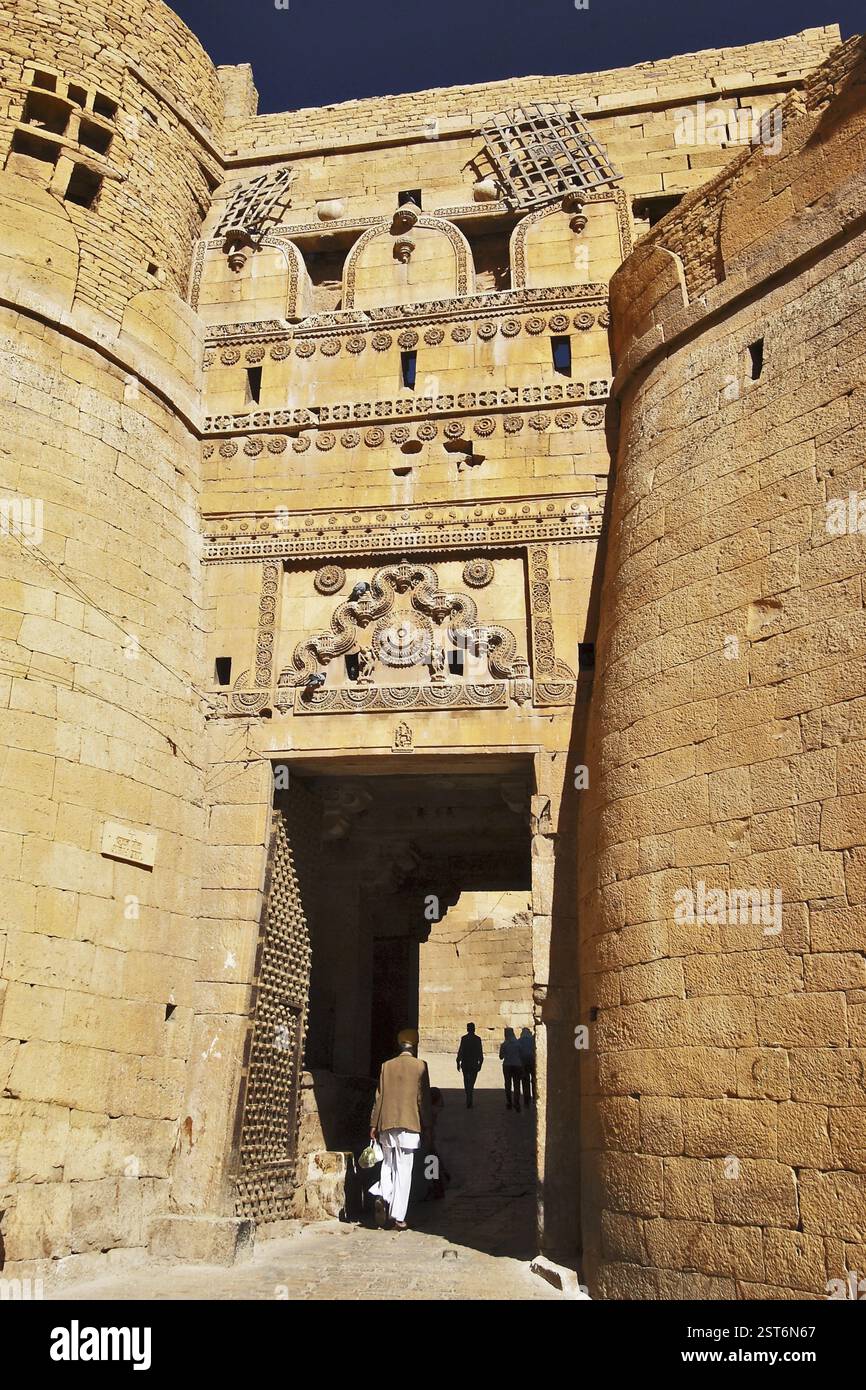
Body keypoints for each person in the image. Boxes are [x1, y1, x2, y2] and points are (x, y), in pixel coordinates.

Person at [368, 1028, 432, 1231]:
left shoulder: (386, 1066)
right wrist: (428, 1123)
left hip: (386, 1123)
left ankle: (383, 1195)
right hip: (409, 1124)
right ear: (415, 1045)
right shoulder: (420, 1066)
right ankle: (399, 1217)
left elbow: (379, 1097)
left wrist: (373, 1124)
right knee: (404, 1170)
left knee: (387, 1164)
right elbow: (423, 1098)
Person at [456, 1022, 483, 1108]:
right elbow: (480, 1052)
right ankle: (469, 1097)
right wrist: (480, 1064)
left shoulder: (464, 1038)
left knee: (466, 1081)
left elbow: (461, 1051)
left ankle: (468, 1097)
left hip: (465, 1063)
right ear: (474, 1029)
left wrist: (458, 1062)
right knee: (472, 1082)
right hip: (474, 1064)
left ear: (467, 1029)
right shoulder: (478, 1039)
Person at [499, 1027, 523, 1112]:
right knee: (517, 1085)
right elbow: (521, 1055)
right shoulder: (518, 1044)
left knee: (508, 1084)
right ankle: (516, 1103)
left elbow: (501, 1057)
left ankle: (509, 1102)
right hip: (517, 1065)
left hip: (507, 1065)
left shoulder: (504, 1044)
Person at [518, 1026, 536, 1107]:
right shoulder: (533, 1040)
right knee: (534, 1080)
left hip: (523, 1063)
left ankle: (526, 1100)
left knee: (525, 1081)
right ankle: (535, 1098)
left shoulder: (519, 1041)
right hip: (533, 1061)